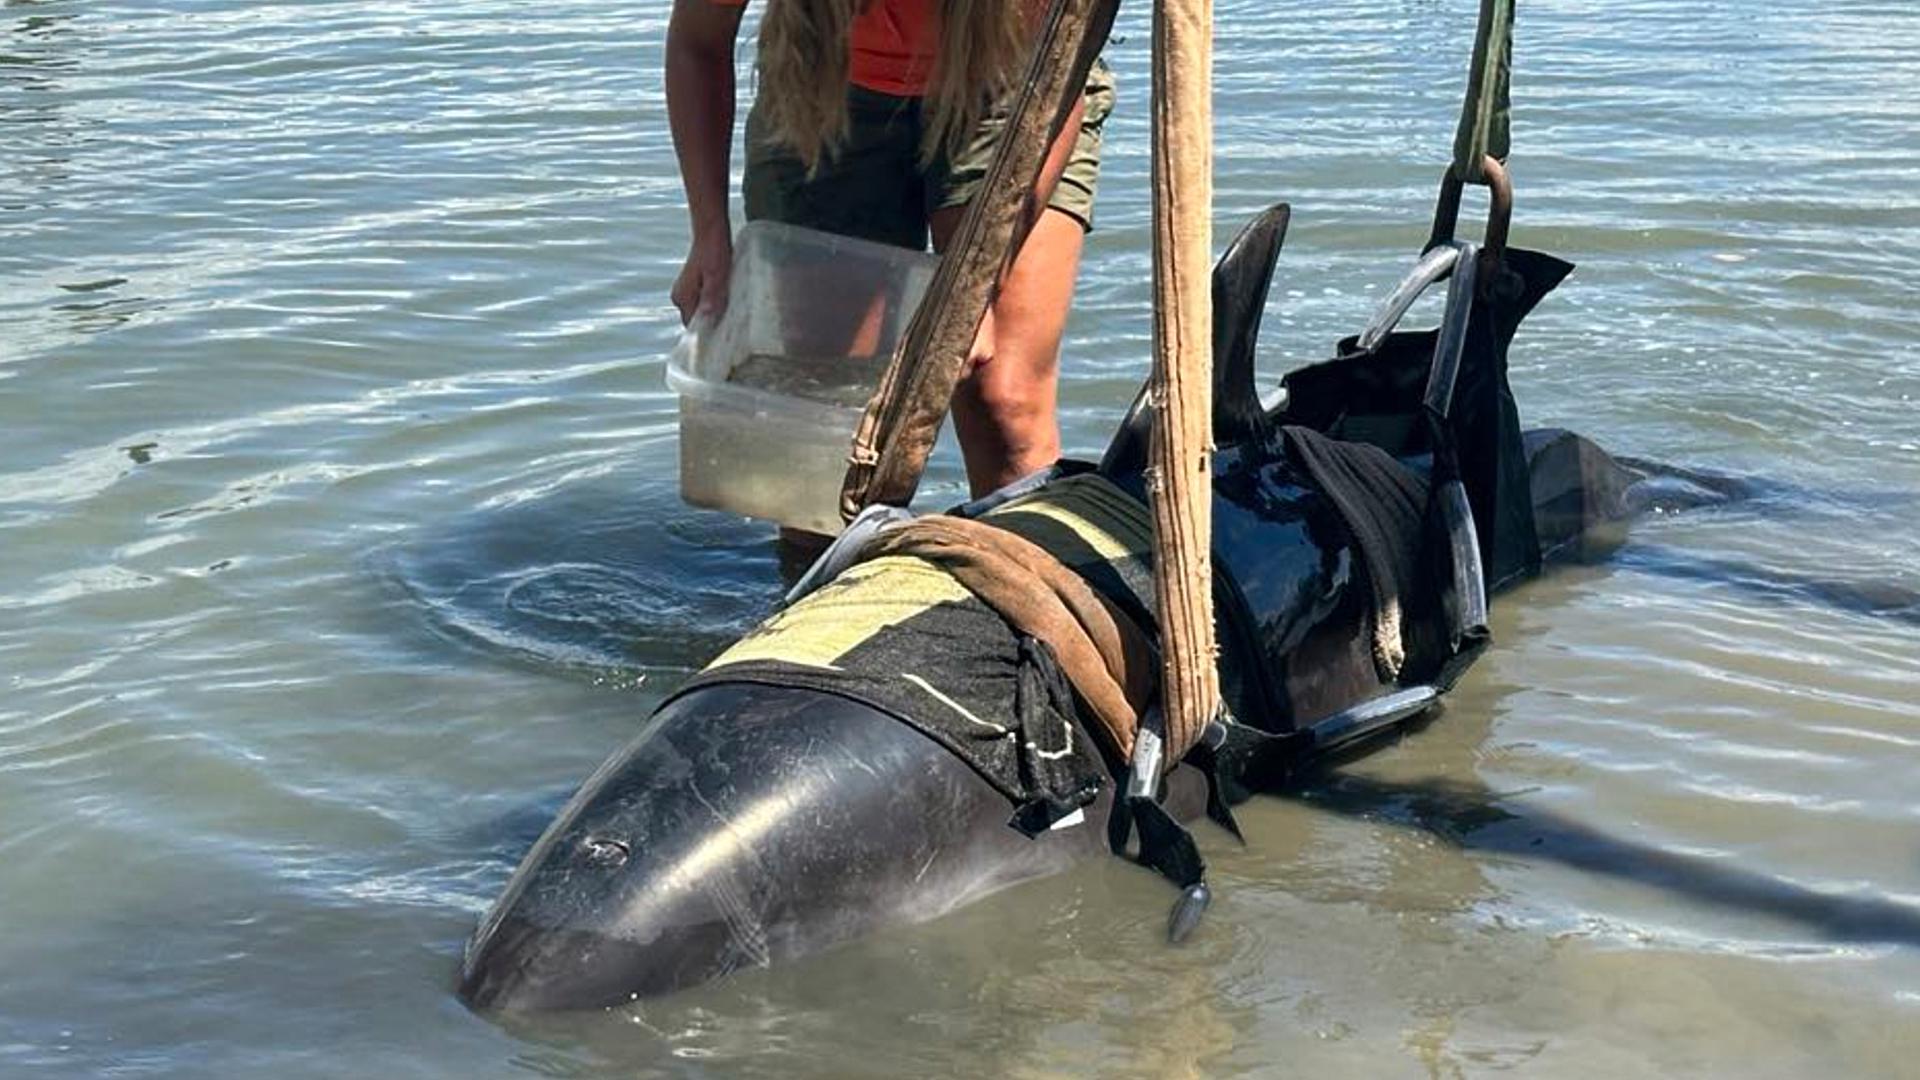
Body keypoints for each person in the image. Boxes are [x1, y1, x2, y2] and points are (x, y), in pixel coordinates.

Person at [664, 0, 1114, 500]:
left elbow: (1059, 70)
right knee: (823, 423)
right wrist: (708, 233)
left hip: (1015, 81)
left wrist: (977, 283)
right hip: (823, 81)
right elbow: (697, 43)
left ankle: (1015, 539)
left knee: (1003, 404)